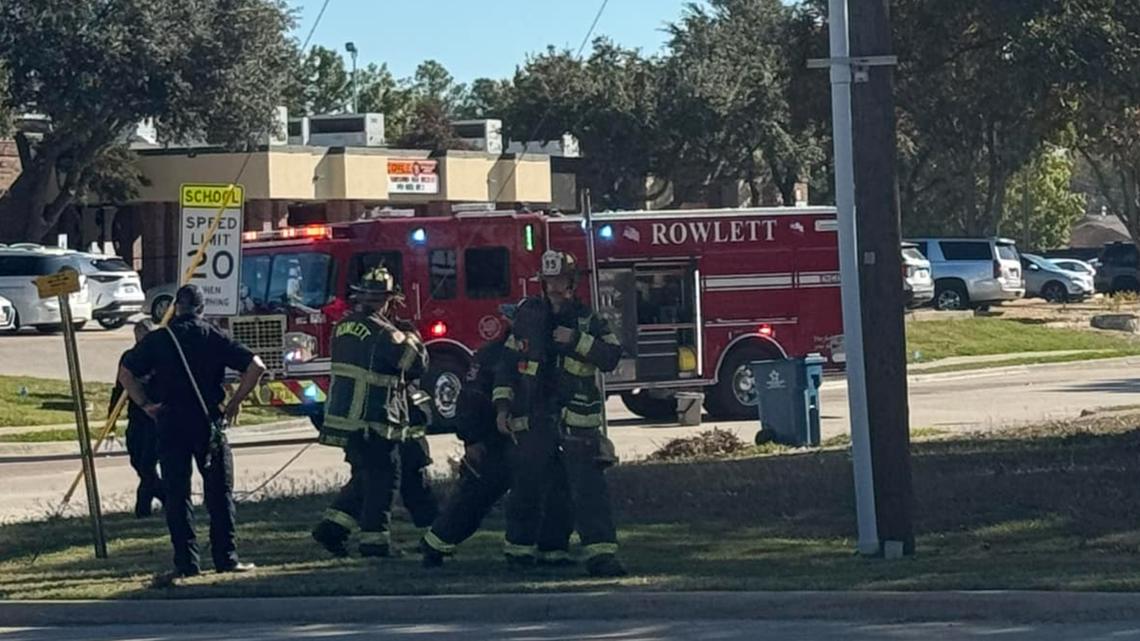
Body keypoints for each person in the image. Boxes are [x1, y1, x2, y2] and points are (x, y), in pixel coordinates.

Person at [493, 251, 627, 577]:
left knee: (586, 490)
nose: (554, 287)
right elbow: (507, 365)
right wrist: (502, 407)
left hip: (576, 420)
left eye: (560, 281)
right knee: (528, 487)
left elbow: (611, 356)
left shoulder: (587, 320)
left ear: (572, 282)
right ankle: (521, 552)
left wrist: (577, 341)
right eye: (549, 280)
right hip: (535, 417)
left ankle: (600, 556)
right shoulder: (528, 318)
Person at [119, 285, 267, 578]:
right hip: (207, 422)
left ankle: (186, 563)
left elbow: (126, 373)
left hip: (170, 422)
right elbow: (256, 366)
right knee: (219, 493)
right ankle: (226, 557)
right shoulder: (212, 335)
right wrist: (235, 402)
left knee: (177, 494)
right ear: (201, 308)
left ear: (175, 307)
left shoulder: (159, 339)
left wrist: (146, 404)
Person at [419, 303, 573, 568]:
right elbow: (470, 401)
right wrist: (472, 440)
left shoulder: (548, 355)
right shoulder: (493, 356)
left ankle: (552, 550)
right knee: (477, 496)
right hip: (496, 440)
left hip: (536, 438)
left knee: (556, 489)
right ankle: (436, 544)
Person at [310, 266, 429, 558]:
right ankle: (375, 544)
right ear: (389, 300)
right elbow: (417, 364)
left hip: (346, 420)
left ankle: (331, 530)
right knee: (384, 481)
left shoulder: (343, 326)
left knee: (365, 477)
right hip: (374, 419)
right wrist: (411, 336)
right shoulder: (384, 333)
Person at [108, 320, 164, 518]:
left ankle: (143, 510)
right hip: (136, 418)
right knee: (137, 461)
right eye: (137, 337)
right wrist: (111, 421)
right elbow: (119, 390)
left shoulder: (161, 358)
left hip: (156, 418)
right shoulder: (129, 358)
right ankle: (167, 496)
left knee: (148, 464)